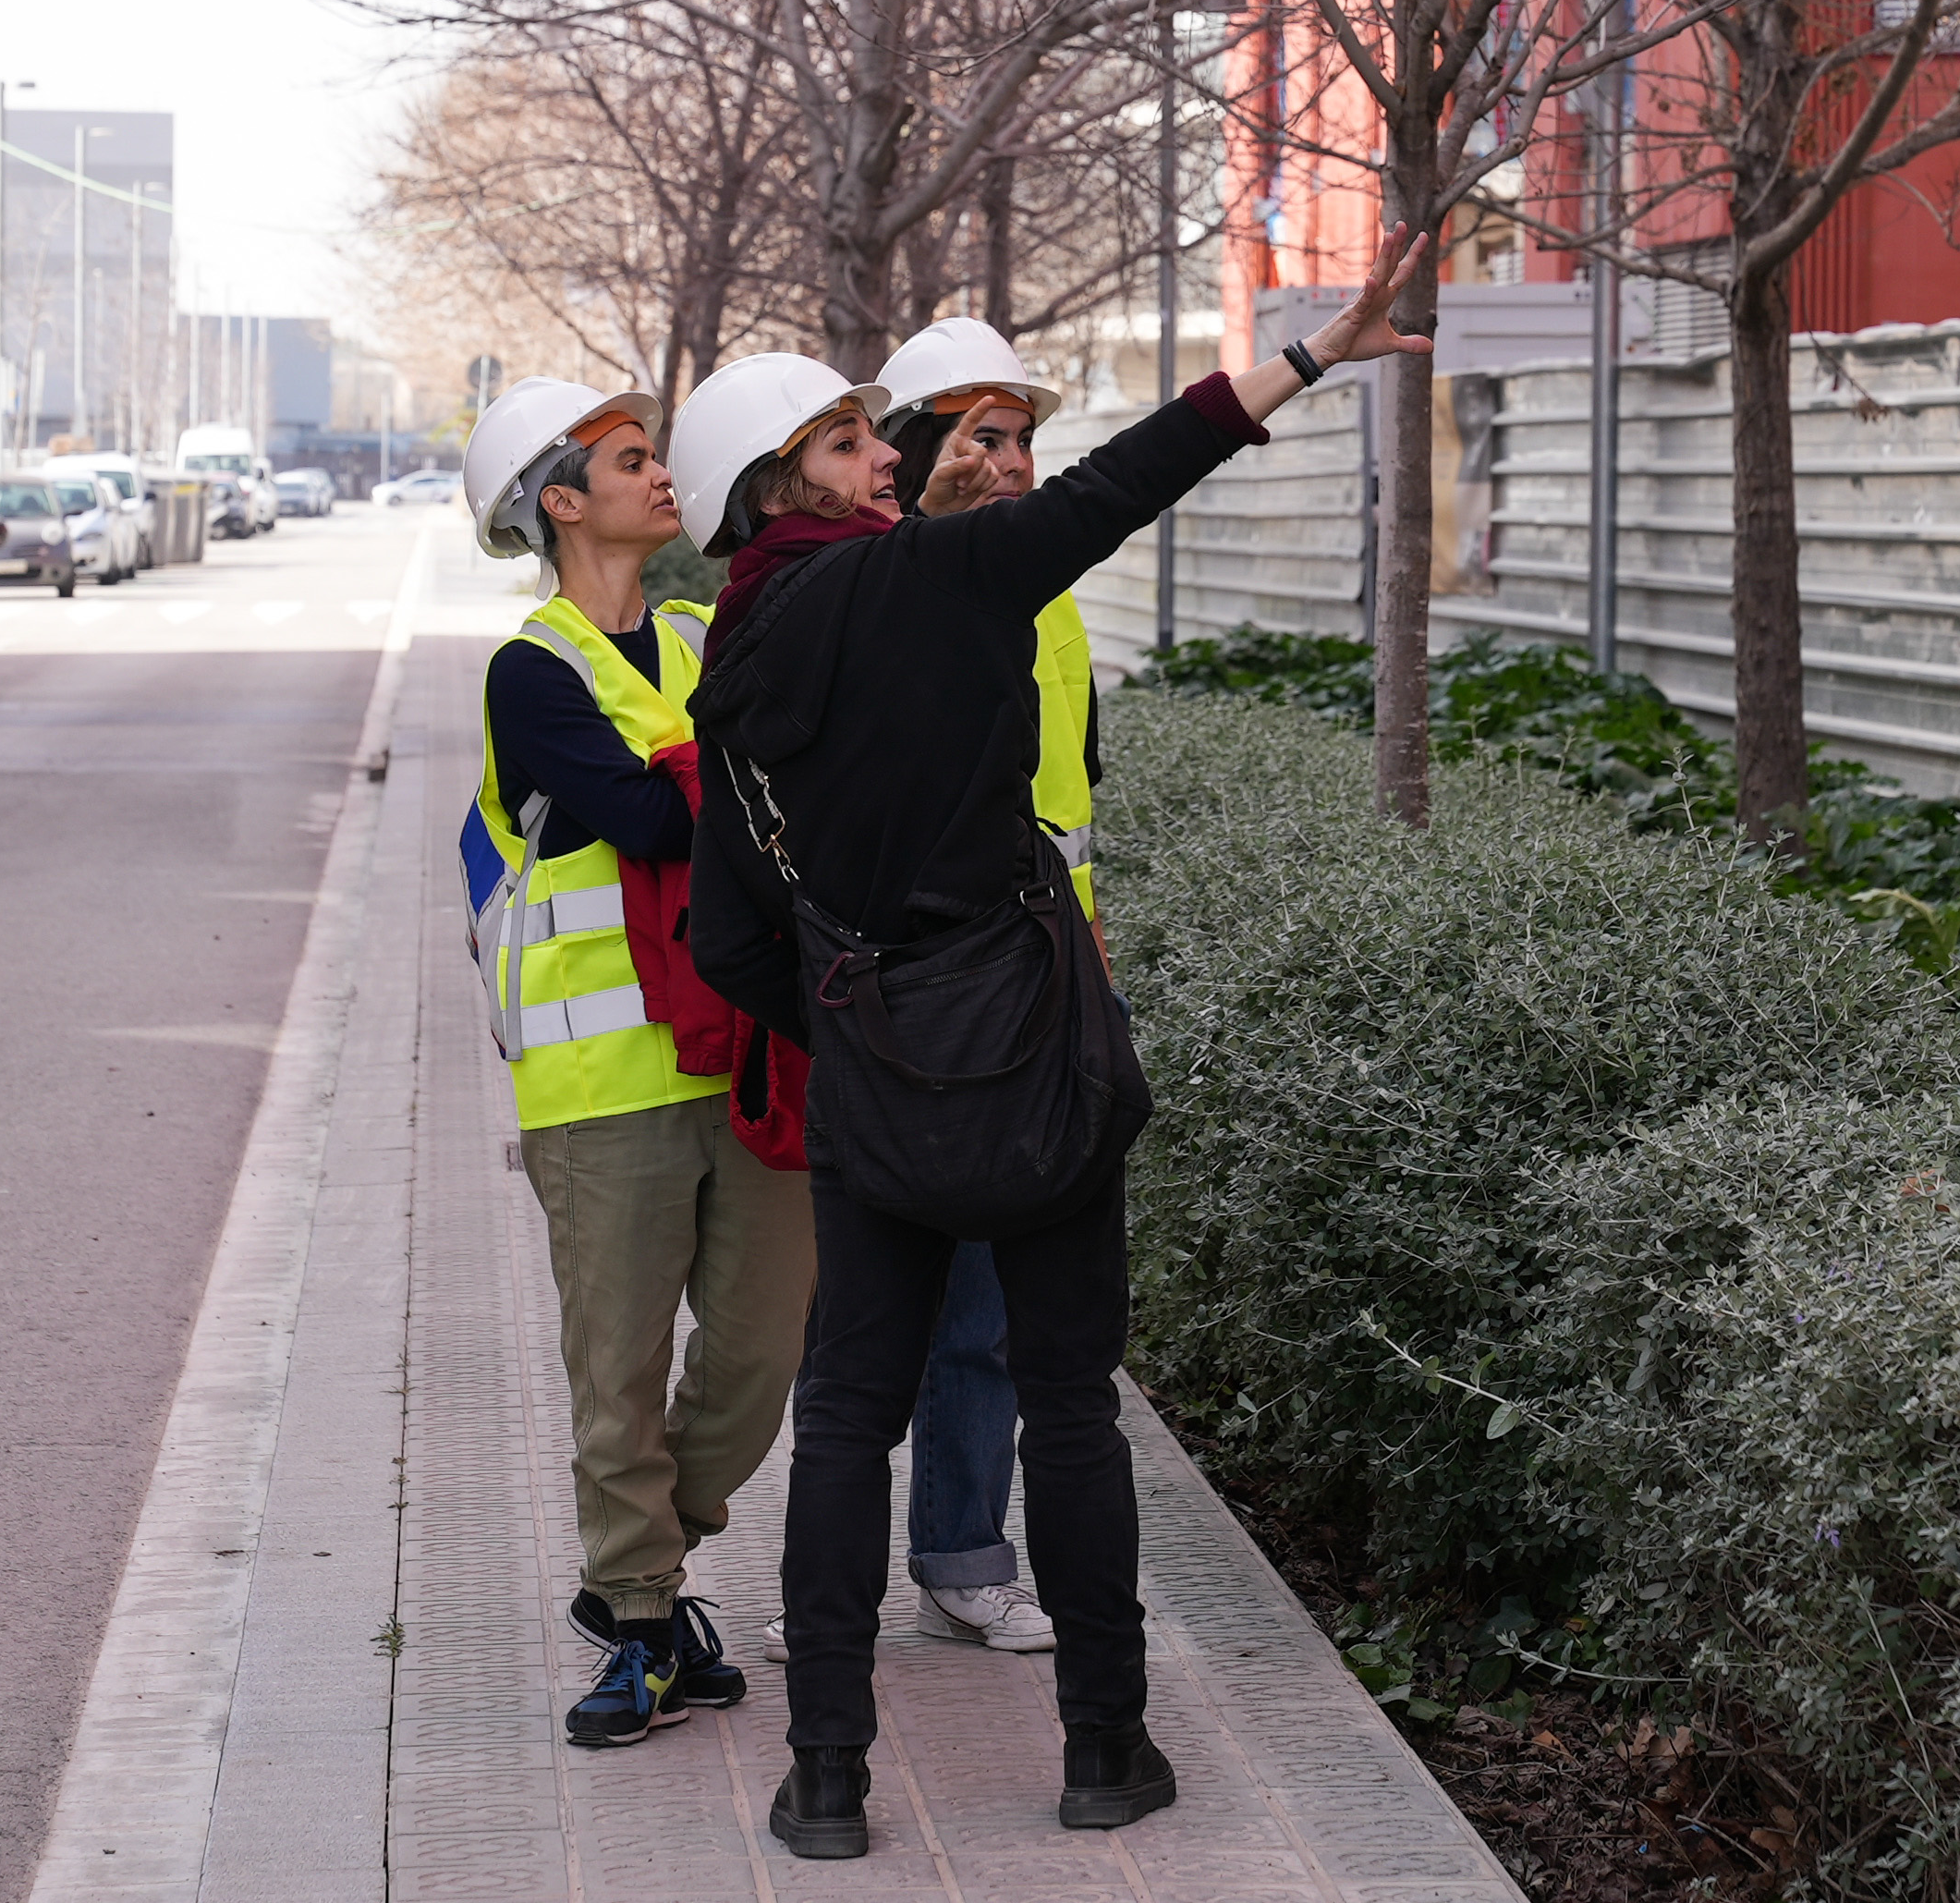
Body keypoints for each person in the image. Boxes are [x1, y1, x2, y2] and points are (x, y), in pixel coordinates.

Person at [676, 240, 1434, 1859]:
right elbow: (1121, 486)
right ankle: (1105, 1750)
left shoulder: (729, 671)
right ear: (772, 488)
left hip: (873, 1078)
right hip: (1028, 1052)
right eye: (846, 443)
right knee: (1069, 1404)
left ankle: (826, 1781)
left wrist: (868, 1014)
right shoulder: (927, 580)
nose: (888, 454)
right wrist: (1303, 360)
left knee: (843, 1420)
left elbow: (730, 938)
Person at [458, 377, 816, 1751]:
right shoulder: (529, 670)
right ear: (564, 501)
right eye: (628, 460)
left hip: (747, 1057)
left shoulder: (698, 629)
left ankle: (642, 1582)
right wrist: (740, 775)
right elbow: (655, 820)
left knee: (763, 1349)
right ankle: (646, 1618)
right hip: (603, 1084)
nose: (663, 475)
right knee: (615, 1373)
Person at [749, 321, 1090, 1670]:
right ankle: (823, 1593)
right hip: (891, 998)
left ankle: (963, 1556)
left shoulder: (1037, 589)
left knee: (988, 1312)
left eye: (1022, 440)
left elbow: (1061, 804)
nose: (1008, 465)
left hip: (1023, 985)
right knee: (869, 1328)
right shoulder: (862, 594)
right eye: (980, 437)